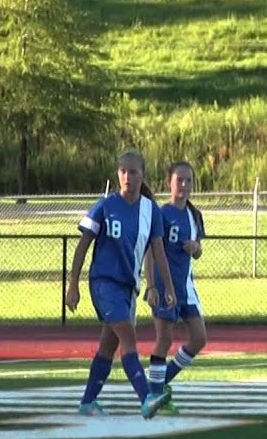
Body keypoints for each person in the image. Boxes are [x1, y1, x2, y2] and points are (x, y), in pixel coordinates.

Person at [65, 149, 177, 419]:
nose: (127, 176)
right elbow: (83, 245)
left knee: (108, 346)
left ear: (143, 175)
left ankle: (87, 402)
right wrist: (73, 284)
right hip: (103, 283)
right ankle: (146, 397)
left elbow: (158, 251)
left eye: (133, 171)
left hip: (128, 287)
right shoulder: (104, 206)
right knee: (128, 336)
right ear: (117, 174)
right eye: (123, 171)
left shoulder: (151, 211)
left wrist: (167, 287)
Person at [144, 161, 208, 413]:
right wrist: (151, 285)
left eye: (188, 180)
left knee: (200, 338)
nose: (184, 185)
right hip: (163, 284)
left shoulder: (194, 215)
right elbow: (150, 251)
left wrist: (196, 248)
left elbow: (198, 251)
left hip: (185, 287)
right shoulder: (161, 214)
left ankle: (159, 384)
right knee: (165, 339)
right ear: (169, 182)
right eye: (179, 180)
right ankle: (157, 394)